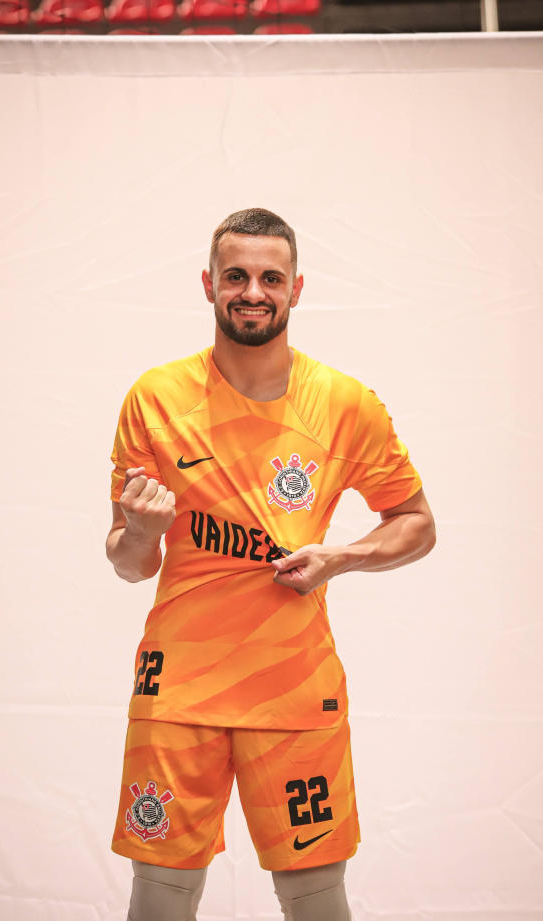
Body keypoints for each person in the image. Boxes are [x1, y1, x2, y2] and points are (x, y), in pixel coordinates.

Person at [105, 208, 436, 921]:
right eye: (236, 276)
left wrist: (339, 557)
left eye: (269, 277)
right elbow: (130, 564)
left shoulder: (346, 403)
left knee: (315, 897)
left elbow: (416, 522)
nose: (252, 290)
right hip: (178, 689)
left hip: (295, 688)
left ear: (296, 288)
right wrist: (140, 529)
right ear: (208, 284)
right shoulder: (155, 397)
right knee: (160, 897)